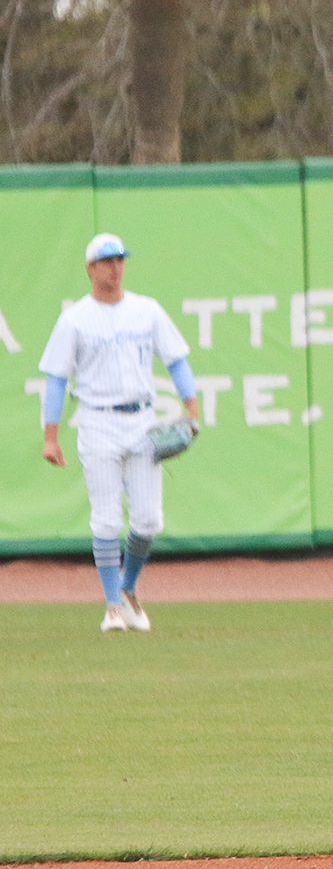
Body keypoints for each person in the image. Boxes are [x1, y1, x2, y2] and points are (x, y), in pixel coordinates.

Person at [39, 233, 201, 633]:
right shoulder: (75, 318)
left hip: (142, 420)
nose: (116, 267)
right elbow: (57, 379)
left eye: (120, 259)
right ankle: (112, 605)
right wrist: (51, 435)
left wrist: (192, 408)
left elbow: (176, 359)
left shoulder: (146, 310)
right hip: (97, 421)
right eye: (107, 260)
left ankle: (128, 589)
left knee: (148, 520)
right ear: (91, 268)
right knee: (107, 520)